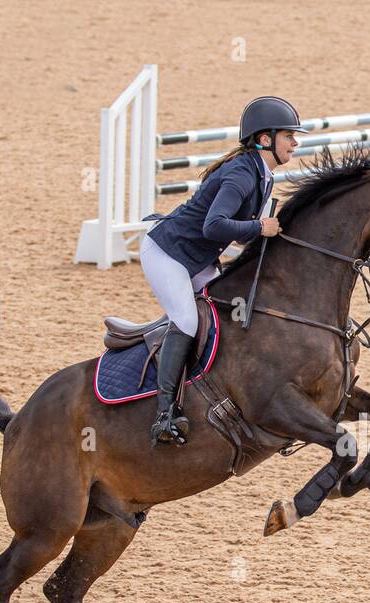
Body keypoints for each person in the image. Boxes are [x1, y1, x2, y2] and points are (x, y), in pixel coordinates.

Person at [141, 96, 306, 446]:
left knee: (227, 309)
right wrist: (260, 228)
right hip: (167, 254)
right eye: (289, 136)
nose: (295, 142)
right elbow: (214, 227)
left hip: (198, 258)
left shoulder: (263, 176)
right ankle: (164, 414)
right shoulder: (241, 174)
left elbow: (241, 232)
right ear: (265, 139)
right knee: (186, 320)